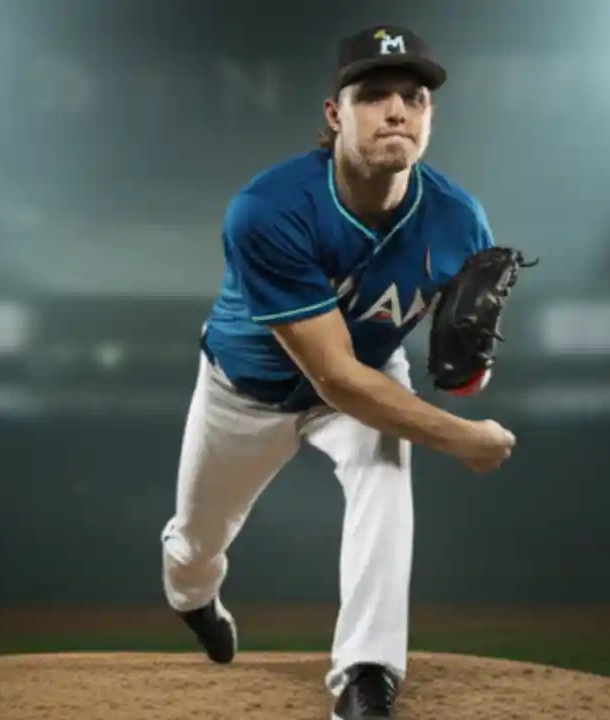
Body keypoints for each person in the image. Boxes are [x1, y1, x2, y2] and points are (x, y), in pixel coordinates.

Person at [160, 24, 518, 720]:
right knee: (195, 544)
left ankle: (366, 674)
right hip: (246, 389)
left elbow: (459, 371)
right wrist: (460, 436)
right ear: (335, 115)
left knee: (385, 466)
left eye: (414, 98)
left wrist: (471, 368)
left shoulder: (460, 221)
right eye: (374, 95)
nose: (397, 111)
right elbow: (332, 376)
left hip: (368, 371)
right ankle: (192, 599)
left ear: (429, 117)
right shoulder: (269, 210)